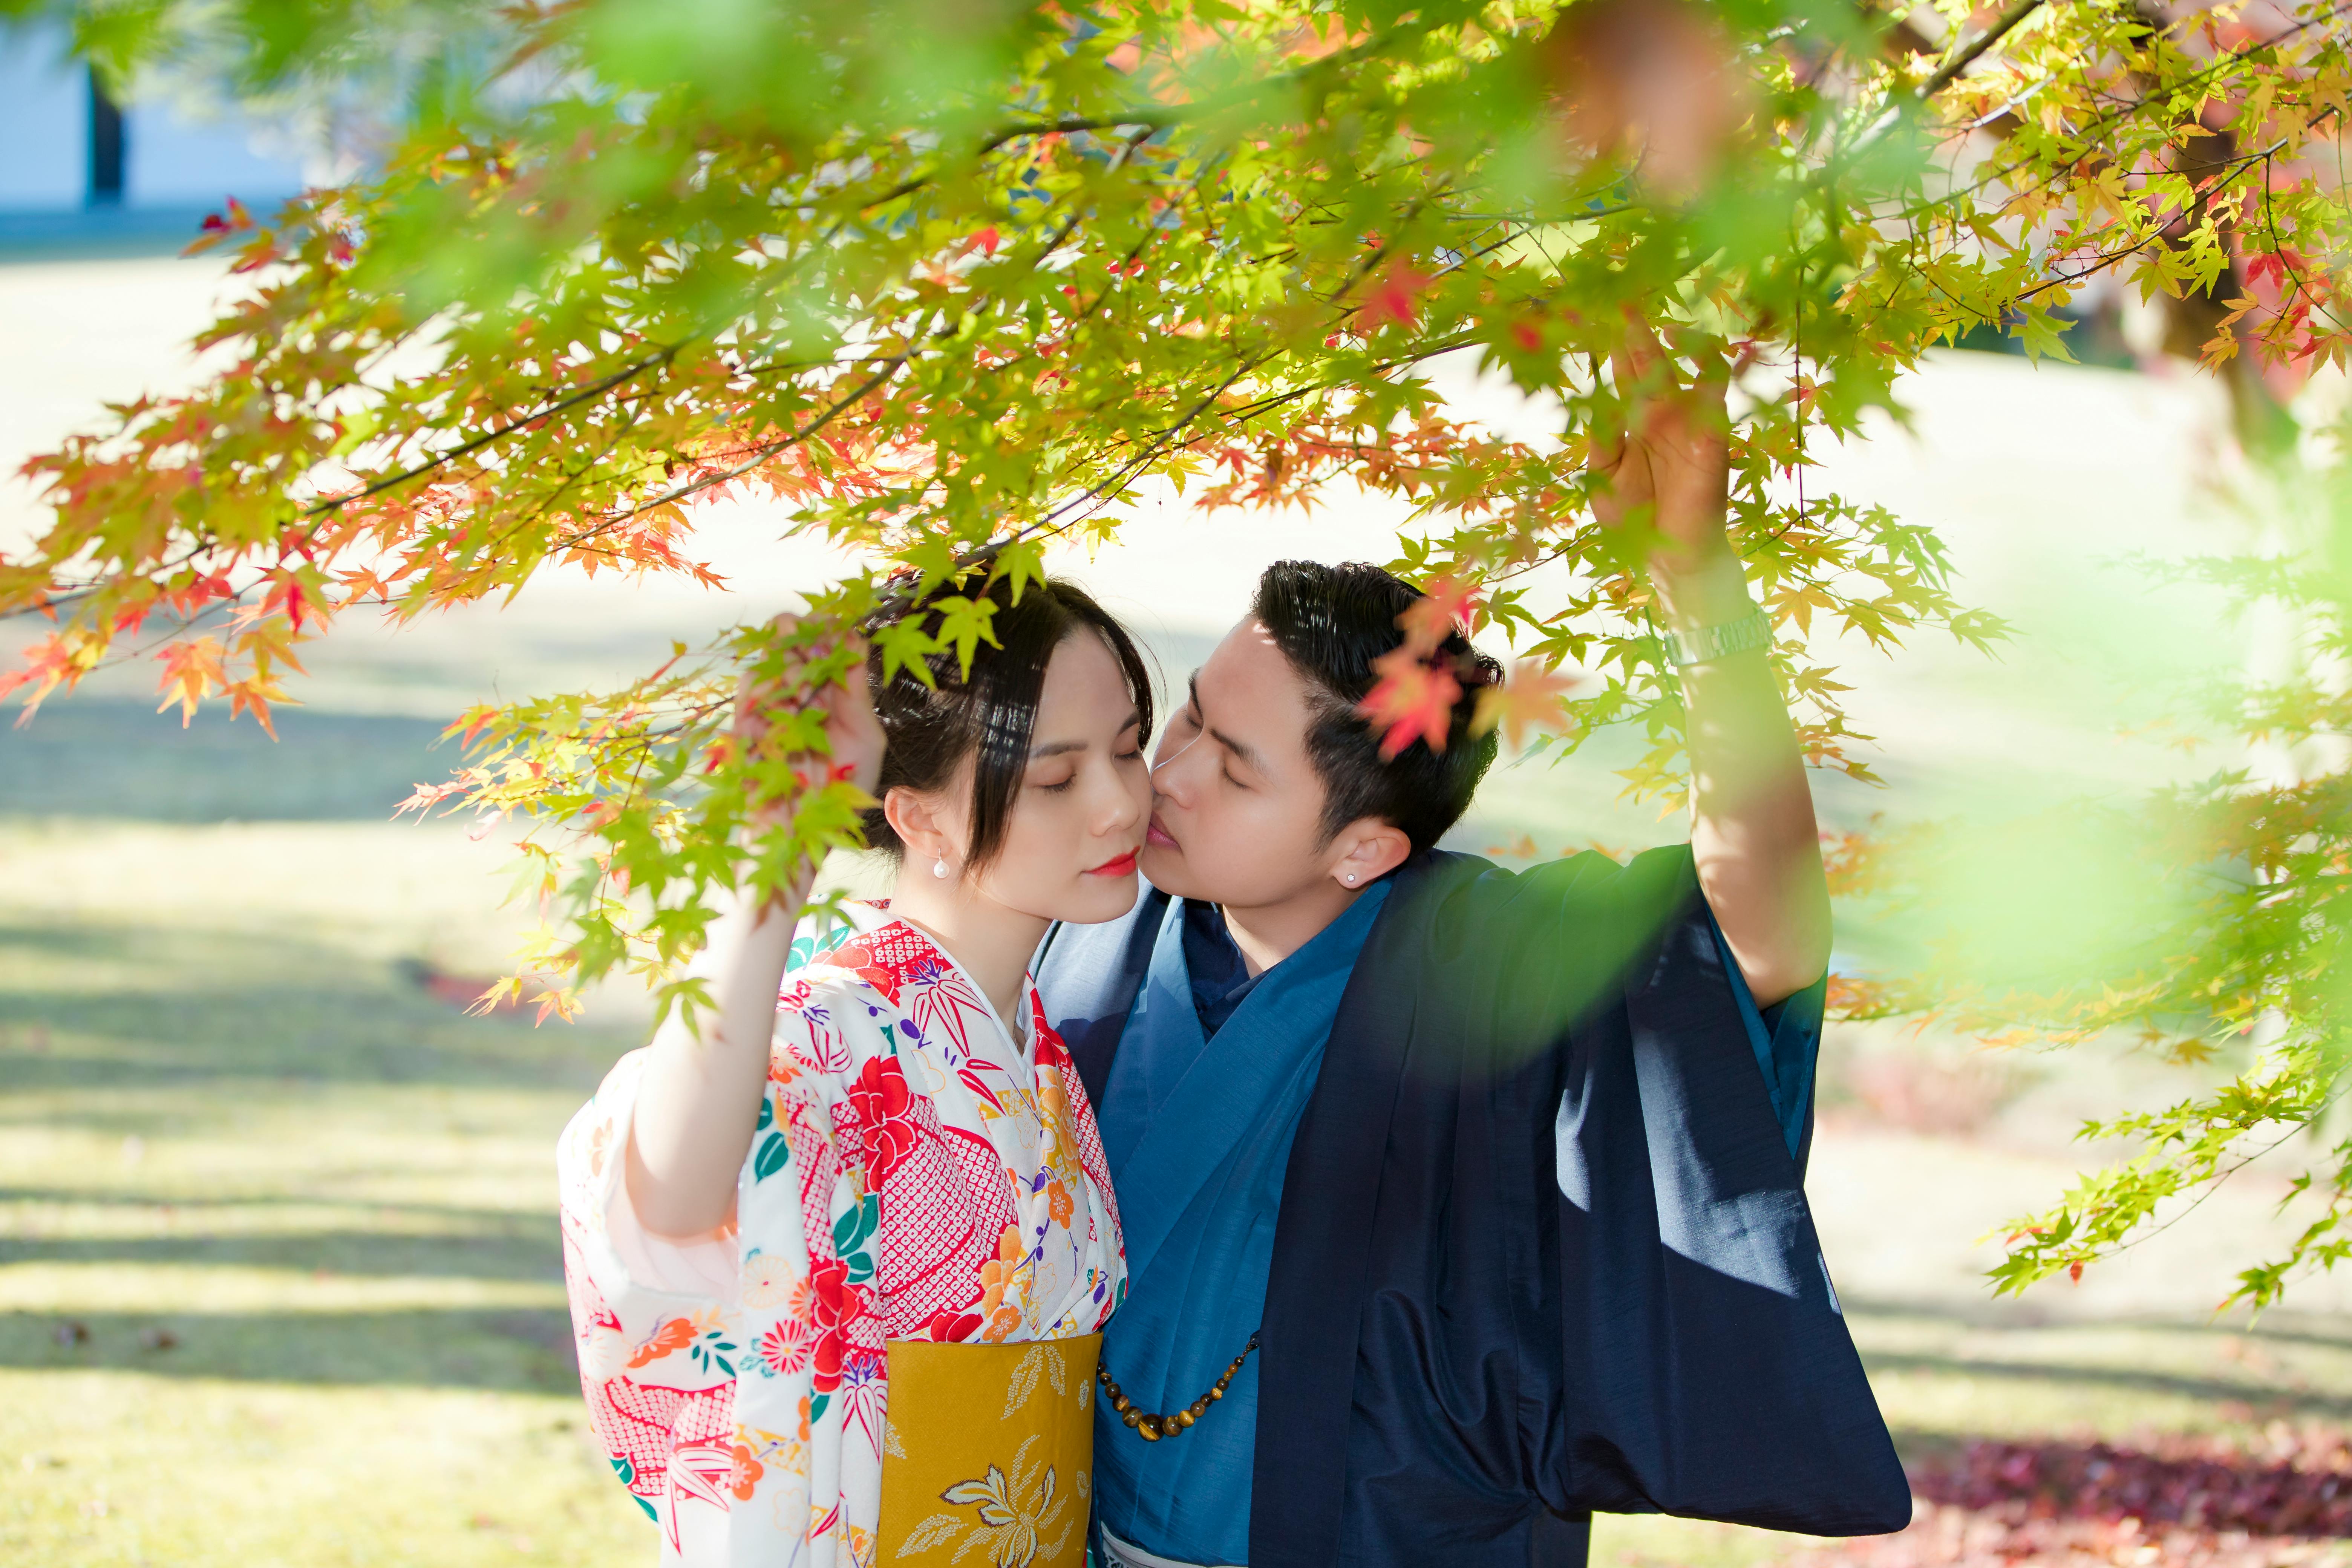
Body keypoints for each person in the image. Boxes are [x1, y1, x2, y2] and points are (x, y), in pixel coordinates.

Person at [1035, 328, 1913, 1568]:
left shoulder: (1483, 968)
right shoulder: (1092, 921)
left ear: (1366, 849)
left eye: (1232, 767)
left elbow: (1755, 928)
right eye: (1187, 719)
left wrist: (1698, 584)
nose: (1167, 776)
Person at [557, 575, 1153, 1567]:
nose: (1122, 804)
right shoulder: (827, 1033)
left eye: (1129, 749)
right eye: (1057, 779)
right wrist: (772, 857)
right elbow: (672, 1199)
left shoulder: (1031, 1039)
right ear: (918, 817)